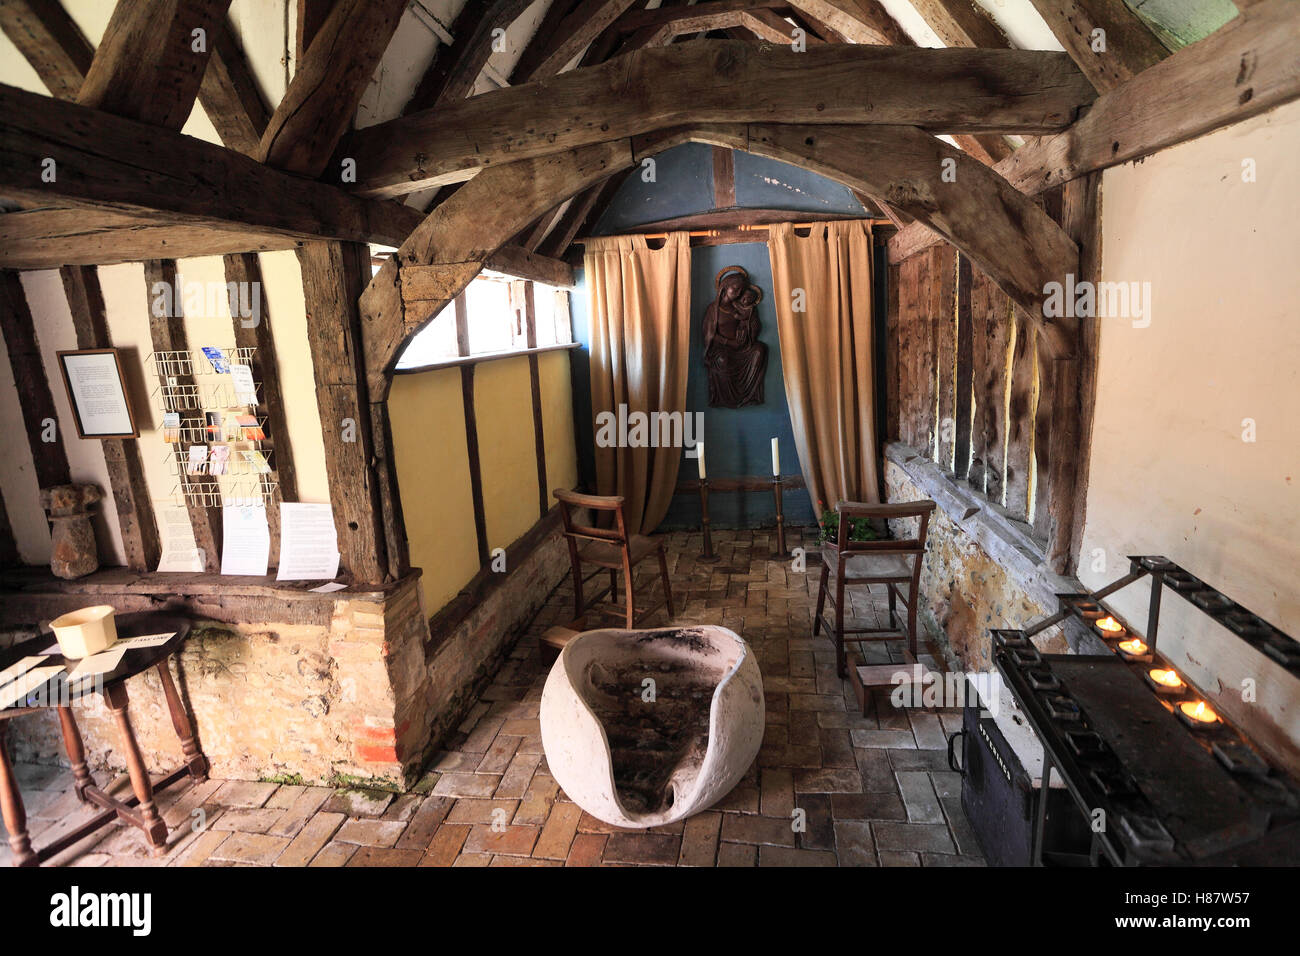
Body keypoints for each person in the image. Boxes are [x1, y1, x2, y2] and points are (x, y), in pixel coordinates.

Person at [702, 268, 767, 407]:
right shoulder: (713, 309)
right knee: (722, 360)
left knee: (760, 350)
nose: (738, 293)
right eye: (736, 289)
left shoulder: (739, 307)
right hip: (722, 348)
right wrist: (730, 343)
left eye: (741, 291)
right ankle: (726, 398)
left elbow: (751, 326)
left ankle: (749, 395)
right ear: (725, 286)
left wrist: (750, 326)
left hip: (741, 347)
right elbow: (709, 335)